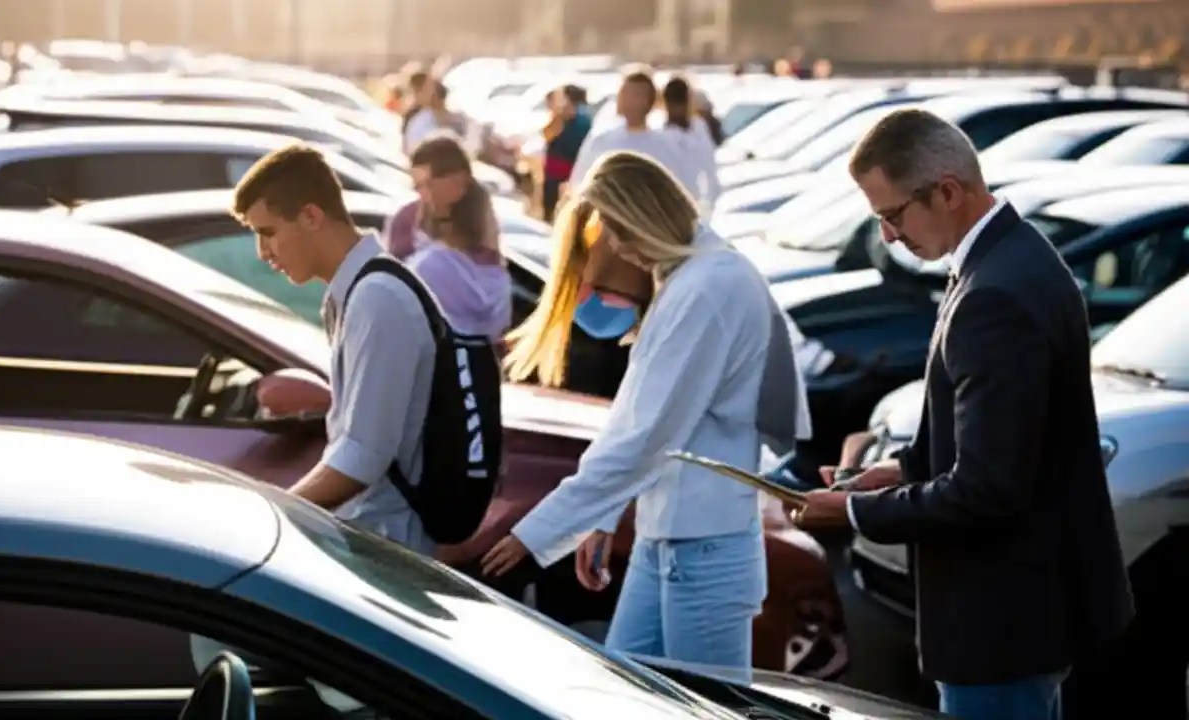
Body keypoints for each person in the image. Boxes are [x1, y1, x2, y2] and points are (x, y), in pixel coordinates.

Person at [792, 109, 1134, 720]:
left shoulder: (996, 293)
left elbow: (987, 488)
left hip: (1000, 619)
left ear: (947, 191)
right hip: (1019, 612)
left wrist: (851, 511)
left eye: (891, 215)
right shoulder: (1012, 257)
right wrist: (895, 473)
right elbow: (996, 441)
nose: (889, 236)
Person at [481, 150, 810, 670]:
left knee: (702, 710)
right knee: (626, 694)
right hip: (671, 541)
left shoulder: (707, 288)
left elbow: (646, 435)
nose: (616, 249)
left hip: (703, 551)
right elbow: (638, 419)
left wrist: (536, 532)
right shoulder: (692, 279)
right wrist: (604, 515)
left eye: (616, 234)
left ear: (641, 218)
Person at [235, 144, 436, 555]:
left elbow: (362, 458)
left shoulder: (378, 297)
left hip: (389, 548)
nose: (262, 252)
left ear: (311, 216)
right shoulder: (359, 291)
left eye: (267, 232)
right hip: (371, 540)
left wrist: (277, 516)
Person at [392, 132, 511, 341]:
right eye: (418, 186)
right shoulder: (408, 222)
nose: (423, 194)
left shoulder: (475, 249)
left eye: (428, 184)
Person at [565, 68, 685, 202]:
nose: (629, 101)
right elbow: (578, 183)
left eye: (636, 95)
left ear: (649, 100)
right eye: (625, 94)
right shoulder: (602, 140)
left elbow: (677, 192)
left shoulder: (664, 147)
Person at [659, 76, 721, 215]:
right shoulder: (658, 134)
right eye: (673, 101)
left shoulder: (699, 128)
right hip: (668, 210)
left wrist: (708, 206)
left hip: (699, 208)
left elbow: (710, 168)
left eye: (681, 101)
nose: (678, 107)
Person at [541, 84, 593, 221]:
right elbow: (546, 135)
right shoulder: (562, 118)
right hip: (556, 172)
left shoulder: (582, 120)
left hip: (569, 172)